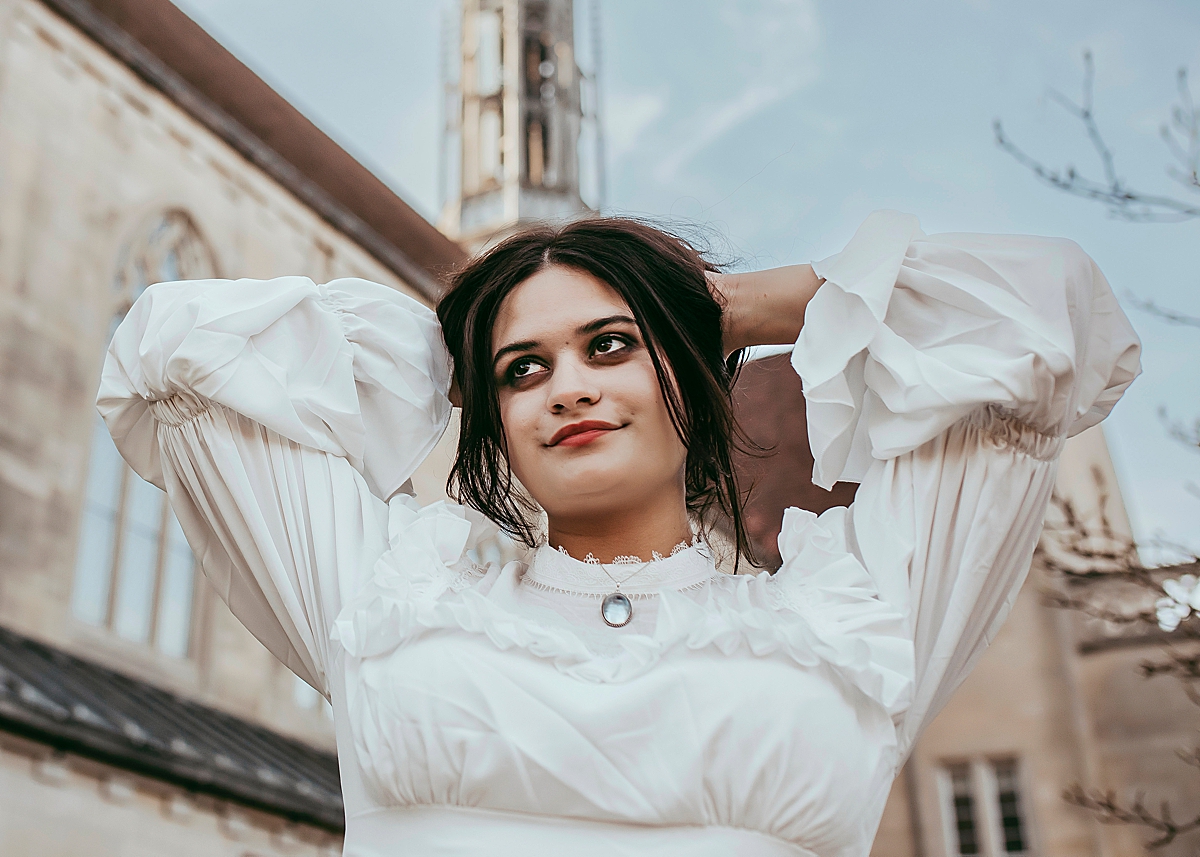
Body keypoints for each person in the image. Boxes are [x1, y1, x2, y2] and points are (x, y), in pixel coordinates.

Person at [98, 210, 1140, 856]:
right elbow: (179, 359)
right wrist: (454, 338)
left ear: (684, 368)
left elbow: (1041, 325)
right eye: (524, 369)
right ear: (489, 411)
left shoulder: (850, 617)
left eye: (610, 345)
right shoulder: (389, 597)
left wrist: (712, 306)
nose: (570, 387)